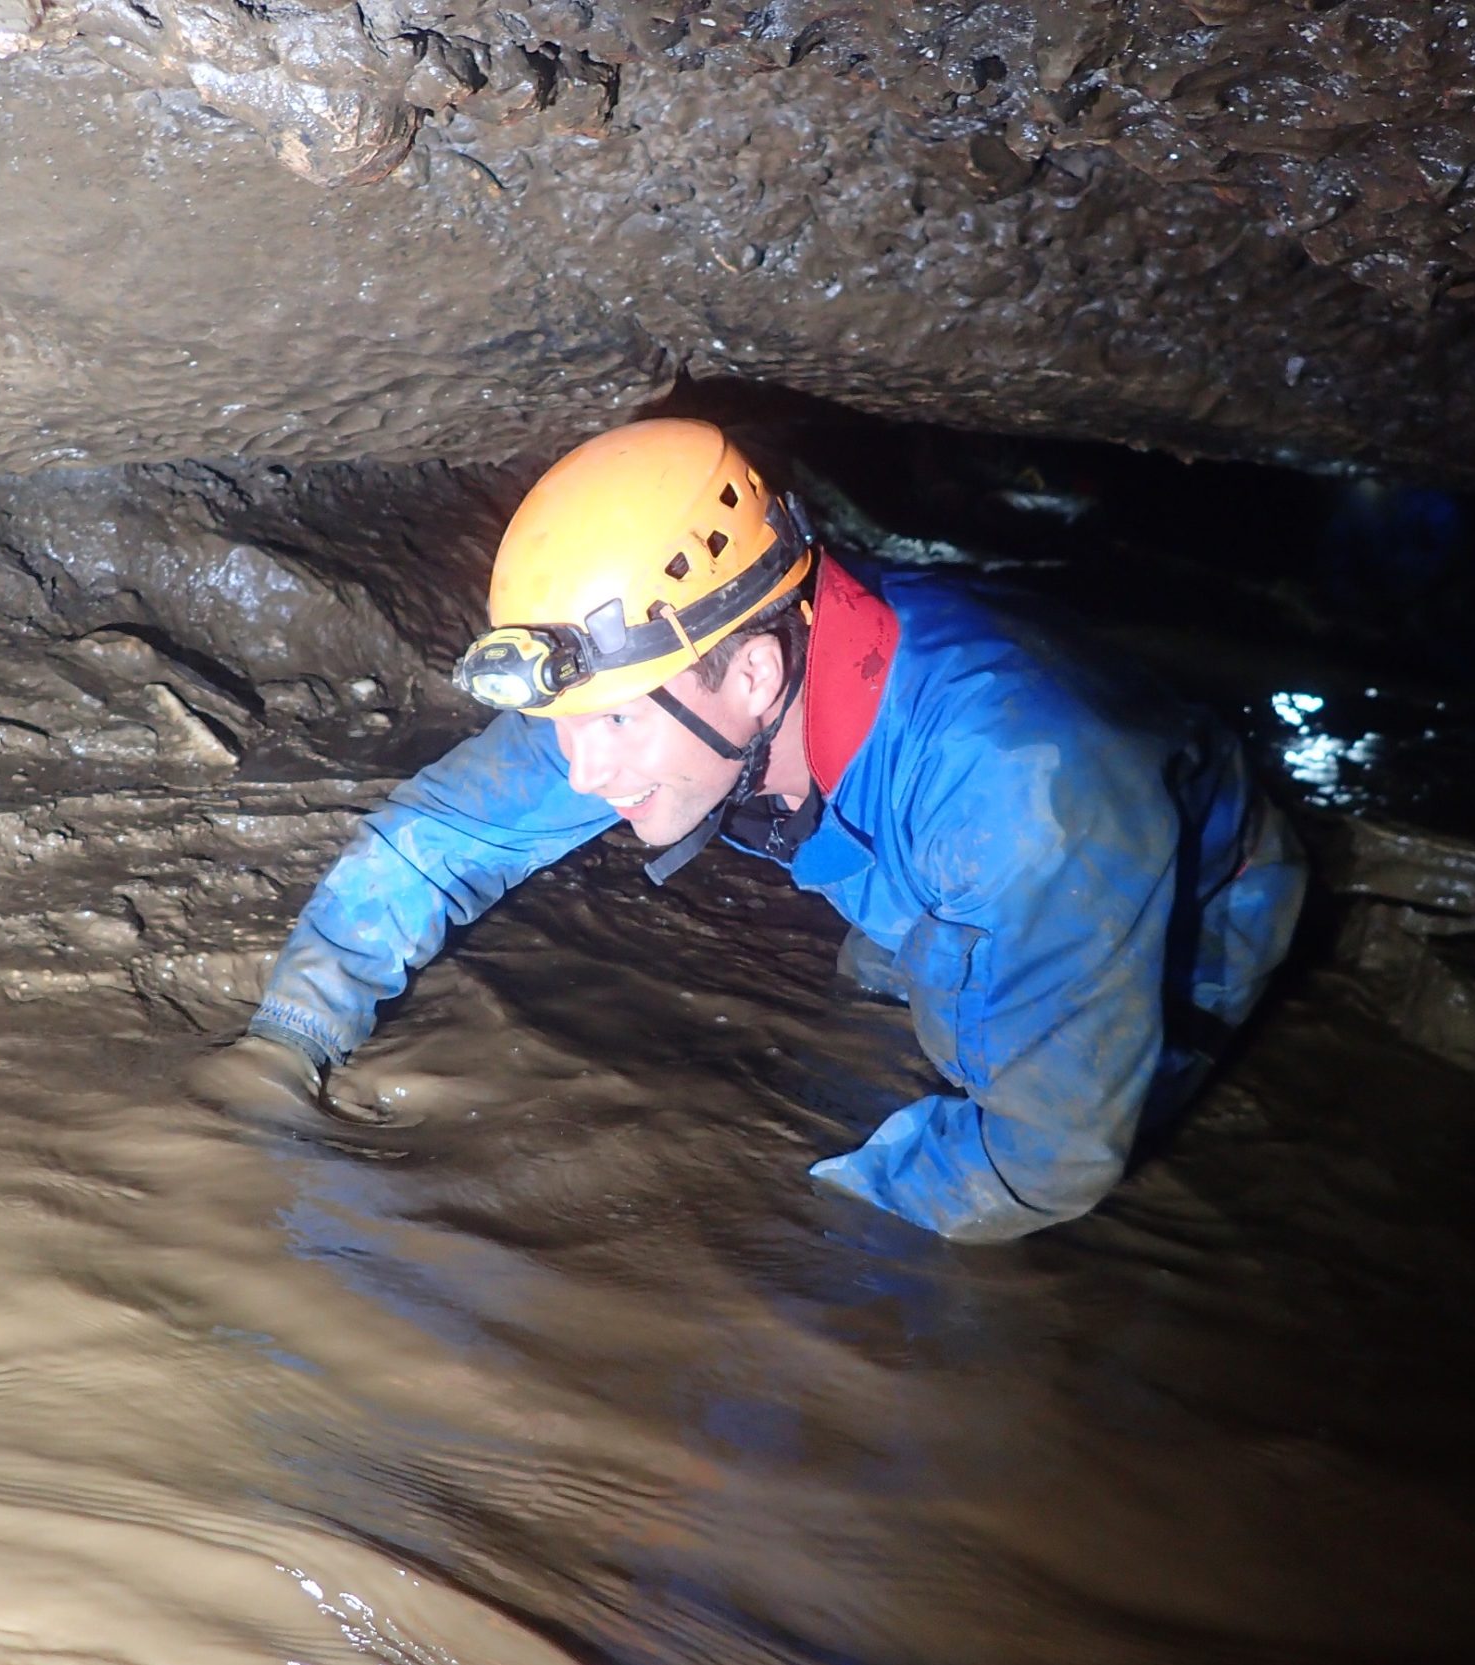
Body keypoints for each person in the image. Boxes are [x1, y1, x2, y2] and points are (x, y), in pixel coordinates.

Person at [192, 419, 1305, 1241]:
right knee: (894, 988)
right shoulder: (680, 681)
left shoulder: (1021, 804)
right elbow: (437, 842)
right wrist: (287, 1039)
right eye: (563, 727)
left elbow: (1046, 1160)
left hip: (1188, 894)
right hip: (923, 843)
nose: (582, 770)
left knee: (1023, 1123)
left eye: (612, 724)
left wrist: (805, 1225)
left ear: (757, 672)